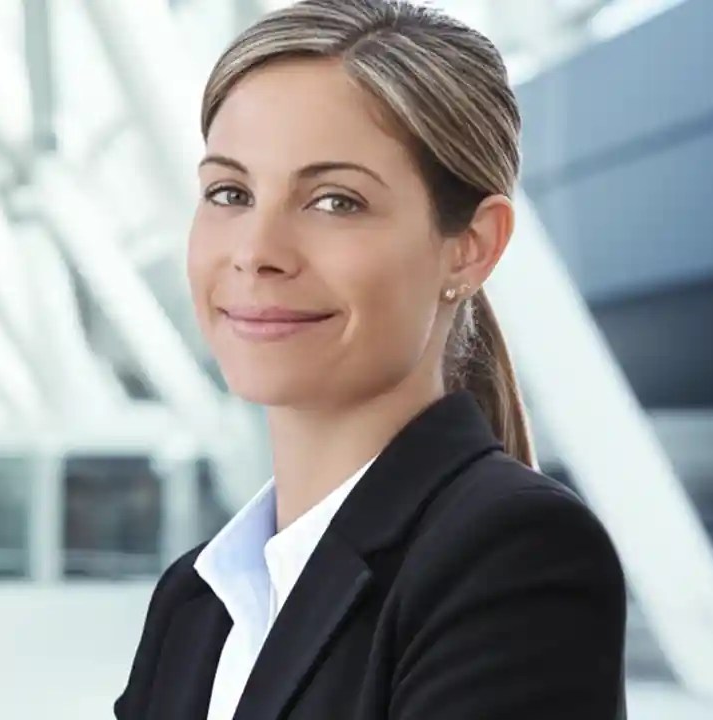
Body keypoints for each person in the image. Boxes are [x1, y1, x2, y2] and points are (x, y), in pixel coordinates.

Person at [113, 1, 627, 718]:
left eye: (334, 201)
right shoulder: (196, 603)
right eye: (230, 192)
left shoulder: (512, 556)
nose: (257, 252)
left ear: (470, 247)